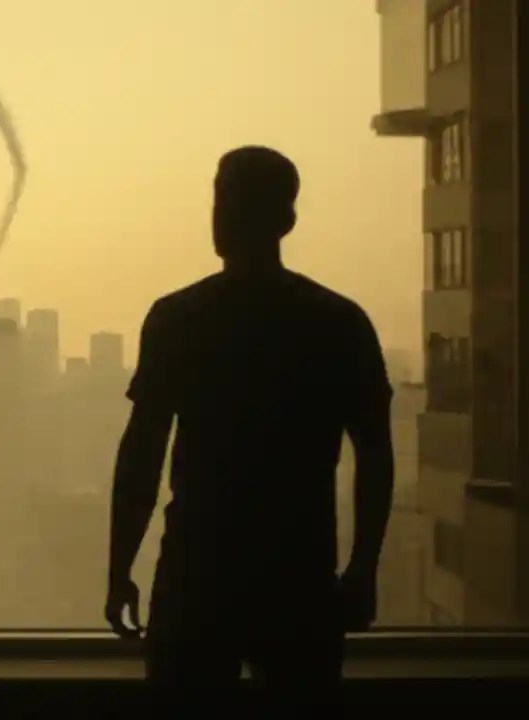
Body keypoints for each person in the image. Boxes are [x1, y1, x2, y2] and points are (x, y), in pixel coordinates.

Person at [105, 146, 395, 702]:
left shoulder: (179, 318)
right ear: (287, 219)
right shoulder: (337, 321)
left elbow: (142, 454)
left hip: (199, 570)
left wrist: (119, 569)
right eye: (222, 200)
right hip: (297, 571)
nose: (222, 215)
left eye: (232, 202)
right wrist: (362, 568)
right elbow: (374, 453)